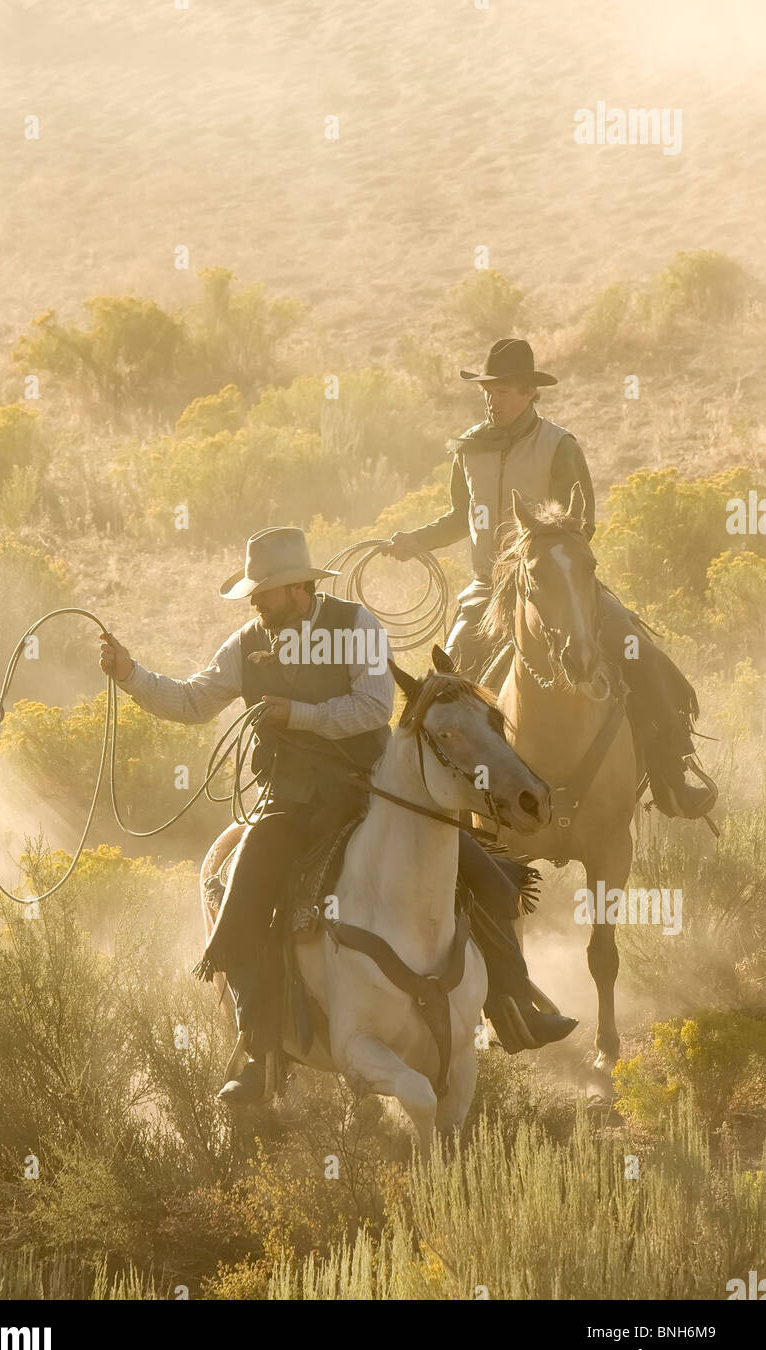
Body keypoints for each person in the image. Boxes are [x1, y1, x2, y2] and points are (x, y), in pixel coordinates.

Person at [100, 526, 576, 1106]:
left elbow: (373, 707)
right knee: (240, 906)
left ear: (298, 589)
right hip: (290, 804)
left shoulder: (356, 627)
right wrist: (129, 673)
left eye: (265, 592)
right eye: (254, 593)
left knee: (495, 885)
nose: (255, 602)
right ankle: (260, 1050)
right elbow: (193, 700)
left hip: (372, 792)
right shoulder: (247, 643)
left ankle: (510, 1004)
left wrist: (293, 713)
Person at [386, 338, 717, 820]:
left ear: (527, 392)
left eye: (499, 389)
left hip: (559, 582)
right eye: (486, 388)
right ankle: (429, 796)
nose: (489, 398)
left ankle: (672, 769)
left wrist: (542, 551)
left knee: (635, 647)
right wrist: (416, 538)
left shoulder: (558, 446)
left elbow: (584, 525)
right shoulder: (469, 448)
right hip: (487, 589)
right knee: (448, 679)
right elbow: (462, 516)